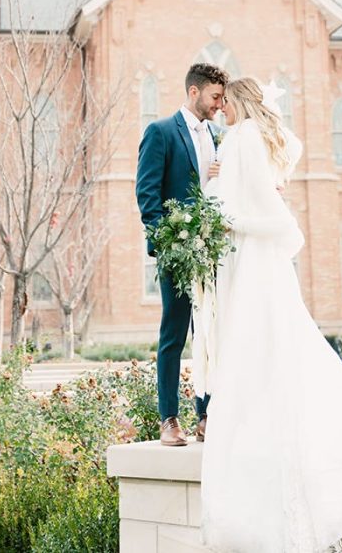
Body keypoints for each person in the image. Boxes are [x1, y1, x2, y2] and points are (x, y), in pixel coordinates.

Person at [201, 77, 342, 553]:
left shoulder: (244, 138)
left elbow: (278, 223)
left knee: (261, 365)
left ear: (240, 102)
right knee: (279, 363)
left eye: (226, 102)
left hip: (256, 271)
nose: (220, 110)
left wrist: (230, 220)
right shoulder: (251, 141)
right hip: (254, 269)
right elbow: (278, 162)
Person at [136, 62, 229, 446]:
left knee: (210, 335)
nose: (220, 105)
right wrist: (170, 244)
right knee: (174, 335)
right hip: (178, 252)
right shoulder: (160, 132)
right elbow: (147, 196)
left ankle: (206, 414)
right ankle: (169, 420)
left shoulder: (220, 137)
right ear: (194, 93)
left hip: (213, 253)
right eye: (215, 97)